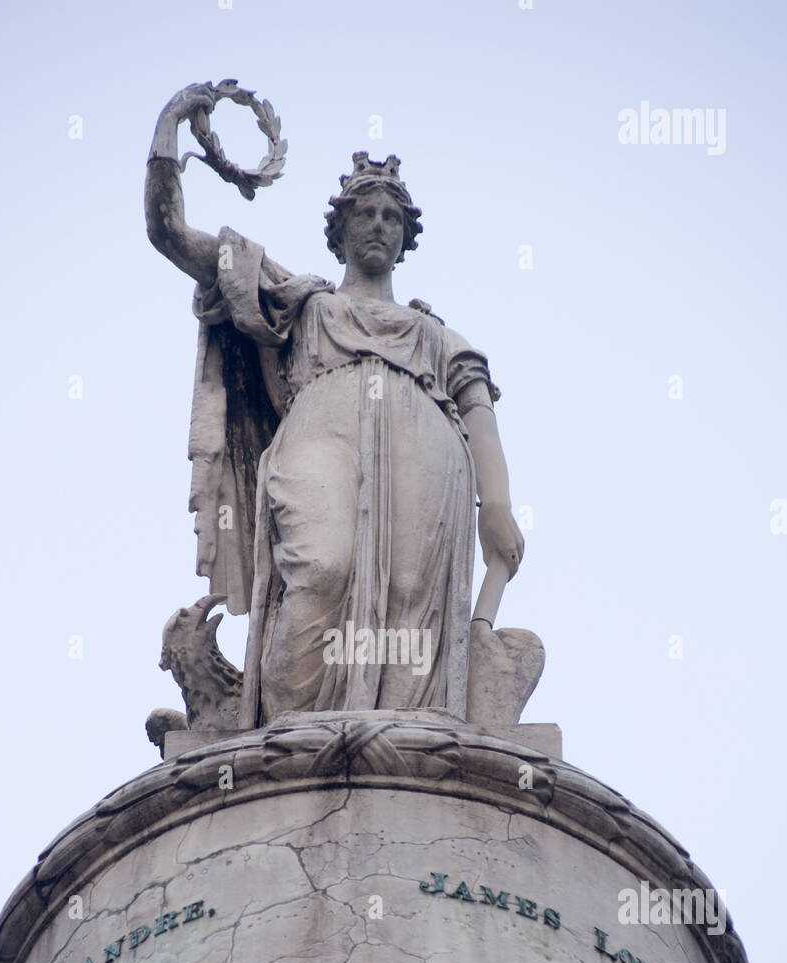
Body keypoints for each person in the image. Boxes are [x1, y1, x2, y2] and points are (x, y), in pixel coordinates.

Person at [145, 85, 524, 728]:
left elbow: (477, 405)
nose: (377, 223)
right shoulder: (301, 301)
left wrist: (501, 508)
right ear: (340, 230)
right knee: (321, 568)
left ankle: (407, 737)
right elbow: (172, 235)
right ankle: (285, 734)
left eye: (389, 216)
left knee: (410, 599)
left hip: (427, 451)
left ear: (405, 237)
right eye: (364, 212)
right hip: (321, 432)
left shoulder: (436, 333)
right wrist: (167, 142)